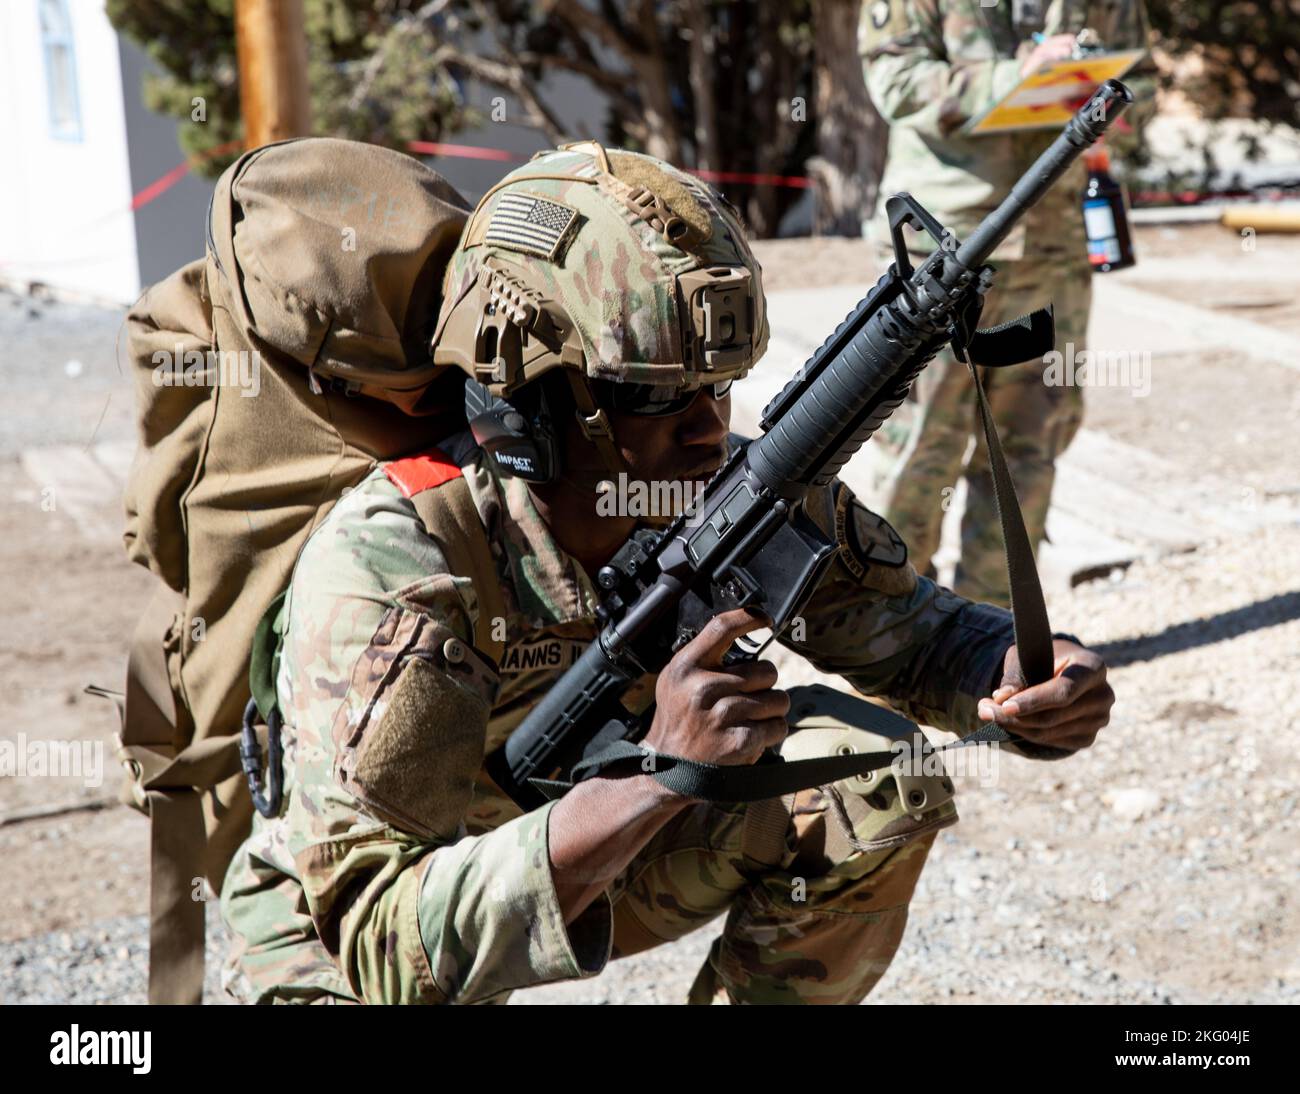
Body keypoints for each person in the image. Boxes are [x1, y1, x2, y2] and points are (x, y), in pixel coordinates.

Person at [219, 140, 1114, 1005]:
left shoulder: (721, 493)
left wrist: (1029, 673)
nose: (707, 429)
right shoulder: (398, 563)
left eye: (716, 384)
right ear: (528, 400)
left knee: (875, 784)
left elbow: (922, 641)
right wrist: (659, 777)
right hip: (369, 927)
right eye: (652, 394)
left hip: (600, 837)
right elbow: (382, 945)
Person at [859, 0, 1154, 605]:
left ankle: (994, 629)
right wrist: (1016, 76)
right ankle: (894, 629)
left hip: (1053, 243)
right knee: (919, 446)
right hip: (945, 243)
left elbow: (1141, 79)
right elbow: (895, 80)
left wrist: (1115, 106)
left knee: (1031, 447)